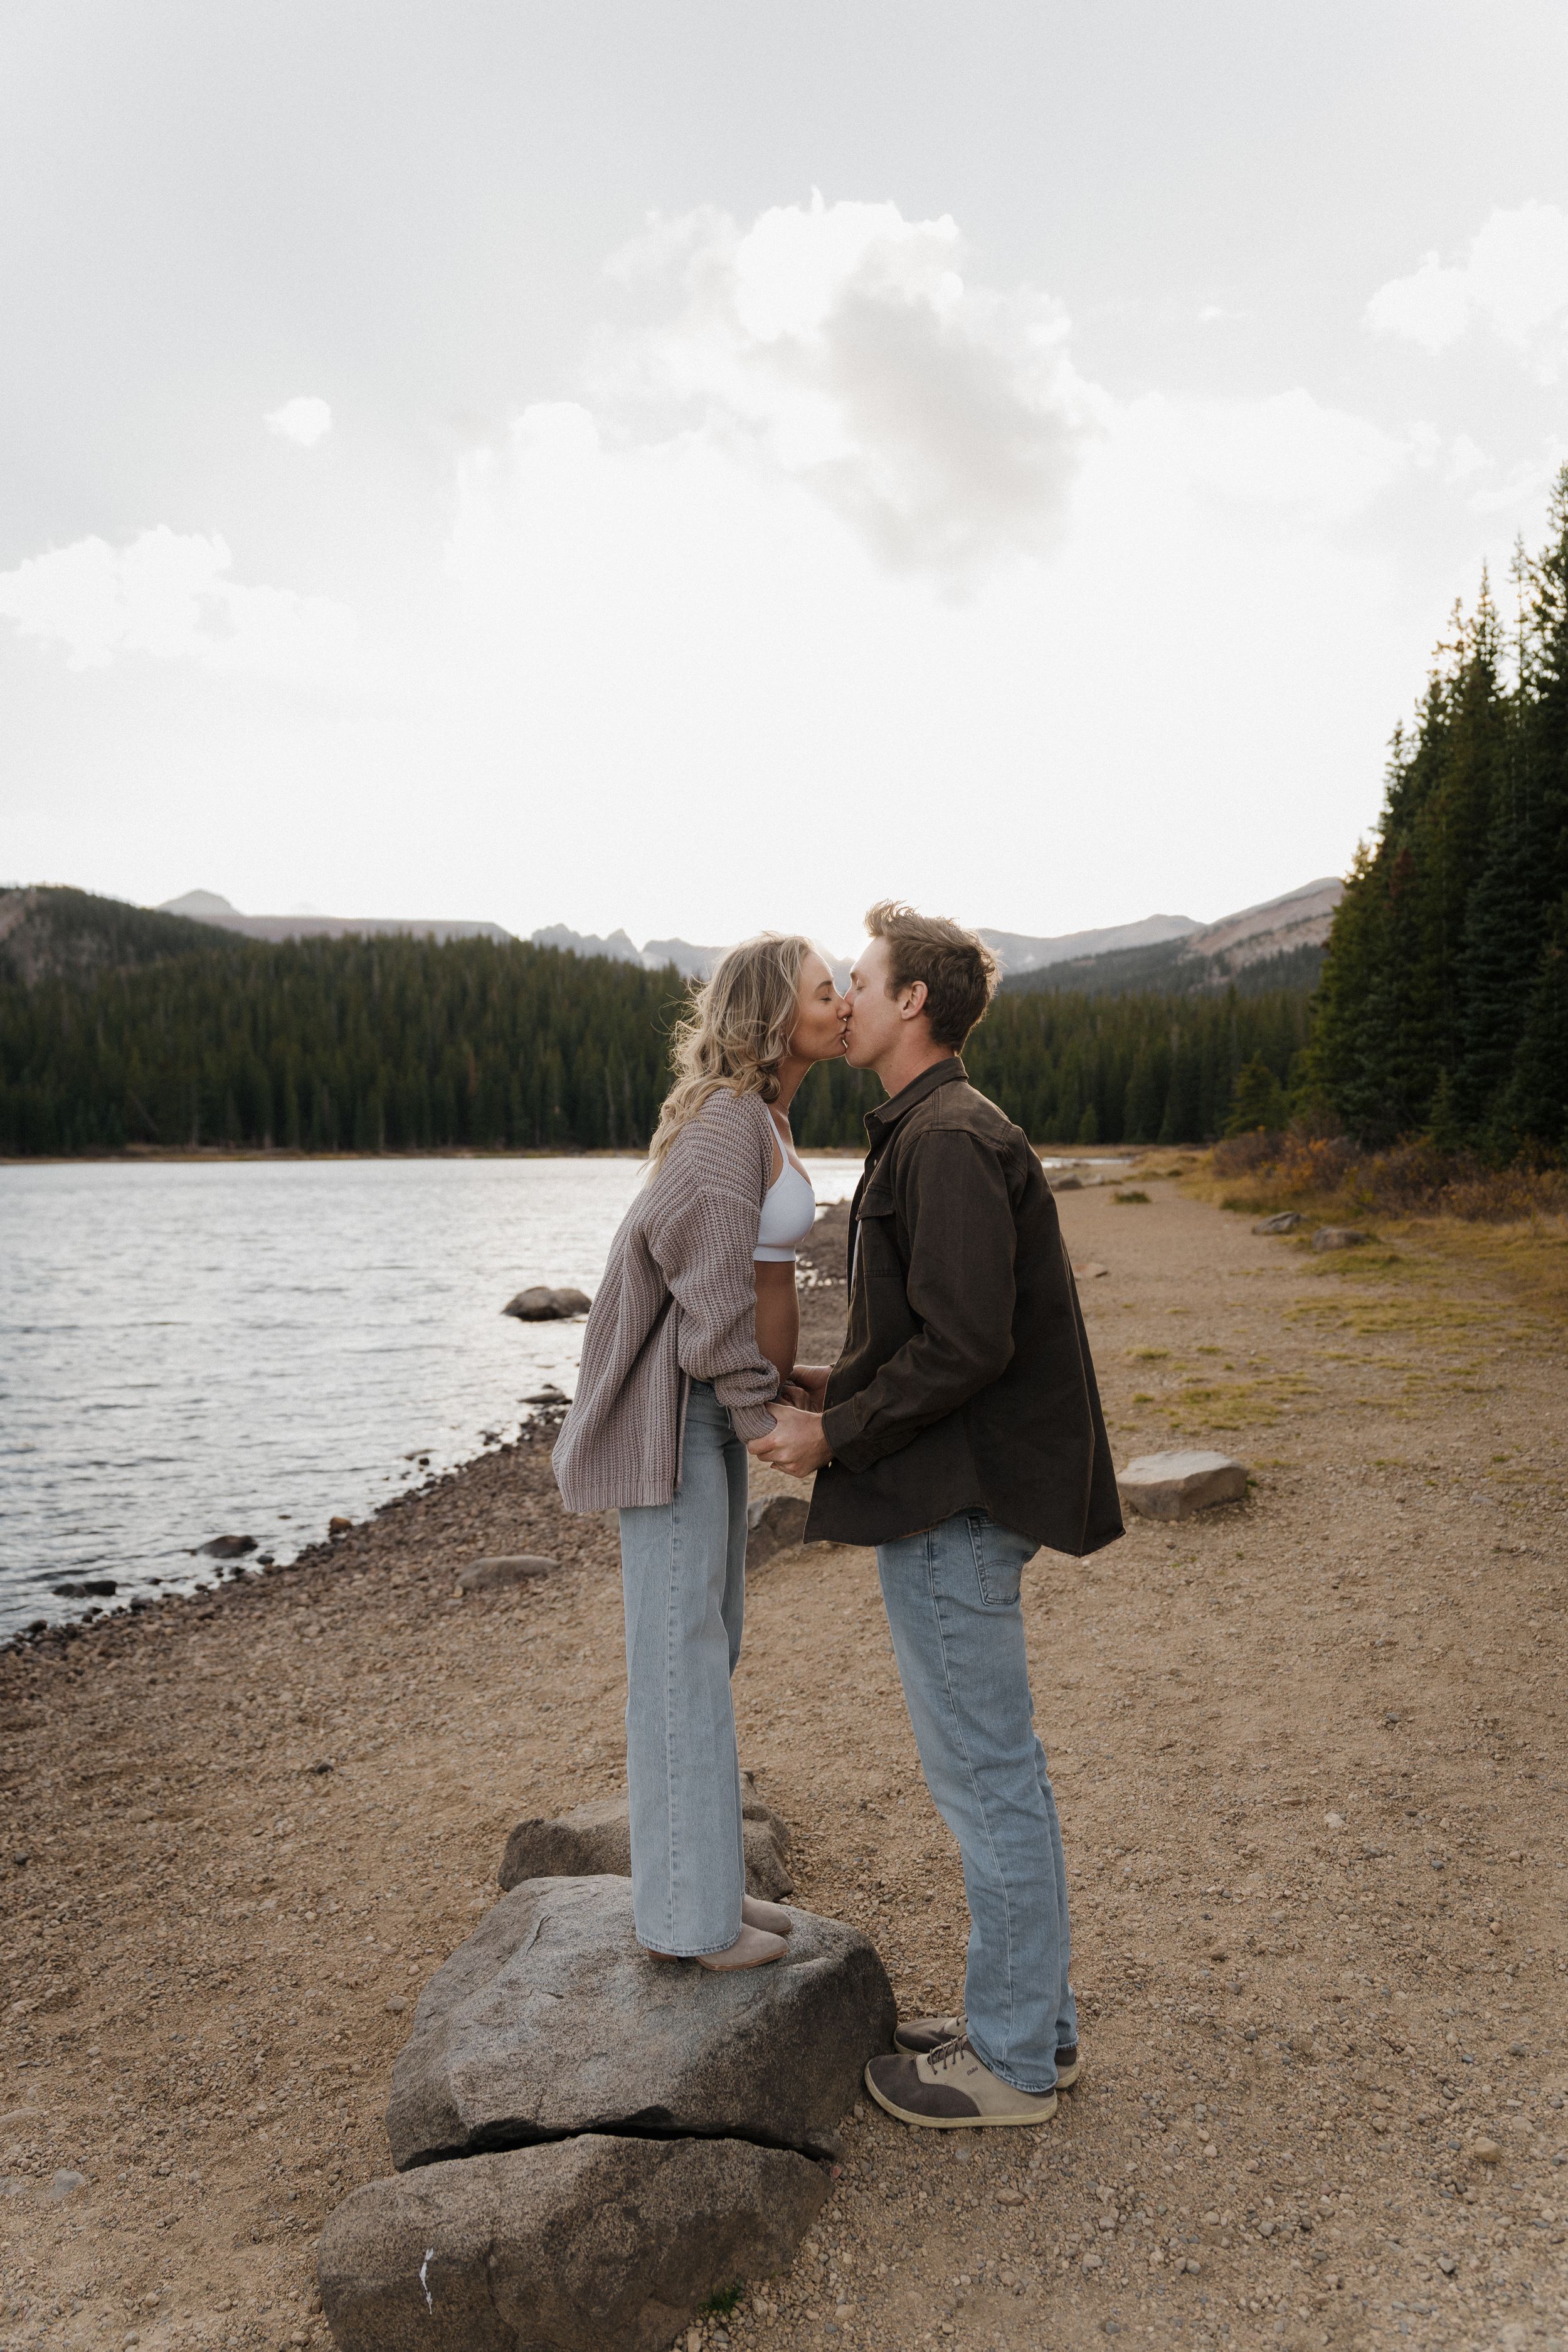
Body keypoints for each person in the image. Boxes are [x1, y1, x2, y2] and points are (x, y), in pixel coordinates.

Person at [750, 901, 1123, 2124]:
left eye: (860, 979)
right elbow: (940, 1332)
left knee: (986, 1779)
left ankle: (1010, 2064)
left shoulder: (949, 1136)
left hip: (955, 1504)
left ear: (913, 1000)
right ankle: (1035, 2029)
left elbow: (966, 1345)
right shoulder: (933, 1127)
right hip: (954, 1489)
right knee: (998, 1772)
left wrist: (833, 1433)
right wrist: (839, 1382)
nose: (844, 998)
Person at [552, 935, 848, 1972]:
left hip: (716, 1406)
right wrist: (757, 1409)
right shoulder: (728, 1119)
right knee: (681, 1660)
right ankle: (688, 1922)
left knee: (705, 1651)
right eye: (827, 990)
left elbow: (749, 1272)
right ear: (778, 1013)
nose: (844, 1002)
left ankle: (703, 1886)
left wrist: (779, 1386)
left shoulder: (766, 1115)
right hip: (680, 1413)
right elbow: (707, 1276)